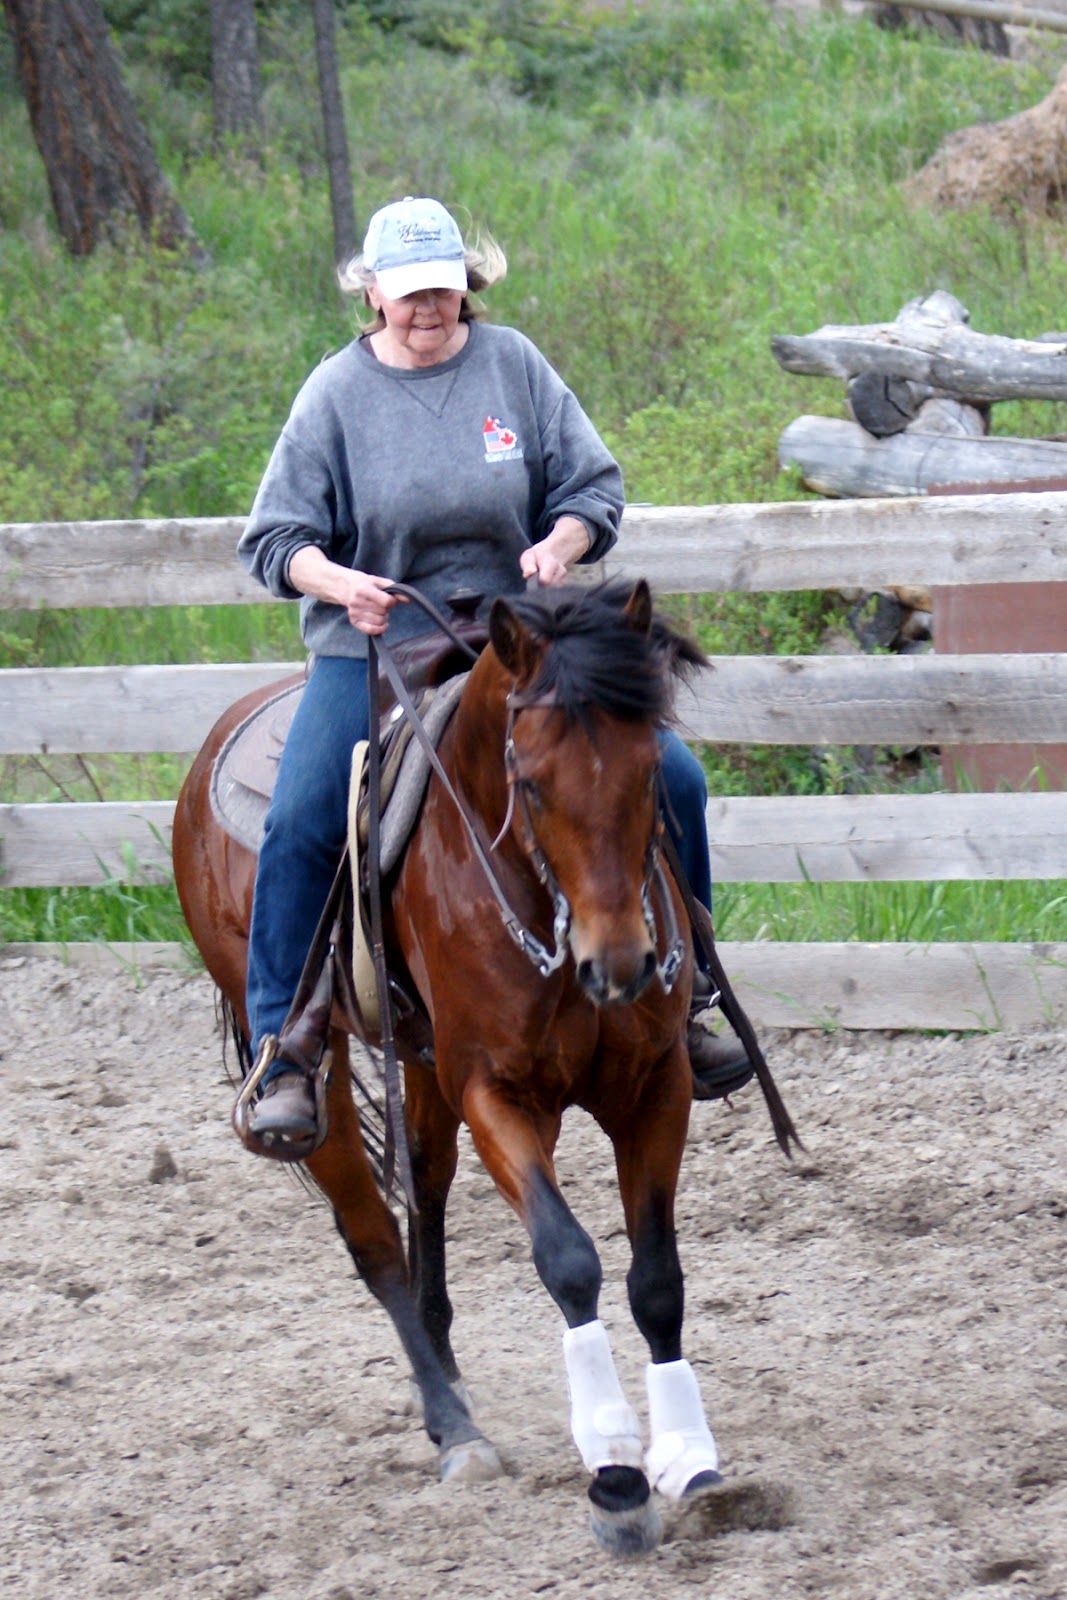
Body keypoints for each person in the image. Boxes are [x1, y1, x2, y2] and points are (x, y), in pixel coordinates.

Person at [237, 196, 750, 1142]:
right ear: (374, 295)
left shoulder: (512, 364)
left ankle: (694, 995)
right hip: (380, 643)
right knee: (305, 816)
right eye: (407, 295)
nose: (427, 310)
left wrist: (559, 544)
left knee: (671, 774)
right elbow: (275, 540)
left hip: (521, 633)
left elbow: (591, 488)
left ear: (466, 287)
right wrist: (339, 580)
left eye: (442, 291)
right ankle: (287, 1044)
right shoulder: (334, 394)